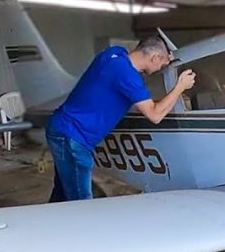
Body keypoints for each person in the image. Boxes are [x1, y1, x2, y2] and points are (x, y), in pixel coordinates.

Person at [45, 35, 195, 202]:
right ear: (154, 57)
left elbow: (132, 78)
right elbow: (155, 115)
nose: (162, 68)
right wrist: (180, 87)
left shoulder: (115, 54)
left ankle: (45, 224)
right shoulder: (127, 76)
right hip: (72, 138)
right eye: (162, 64)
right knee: (82, 204)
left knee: (63, 193)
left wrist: (166, 55)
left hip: (62, 129)